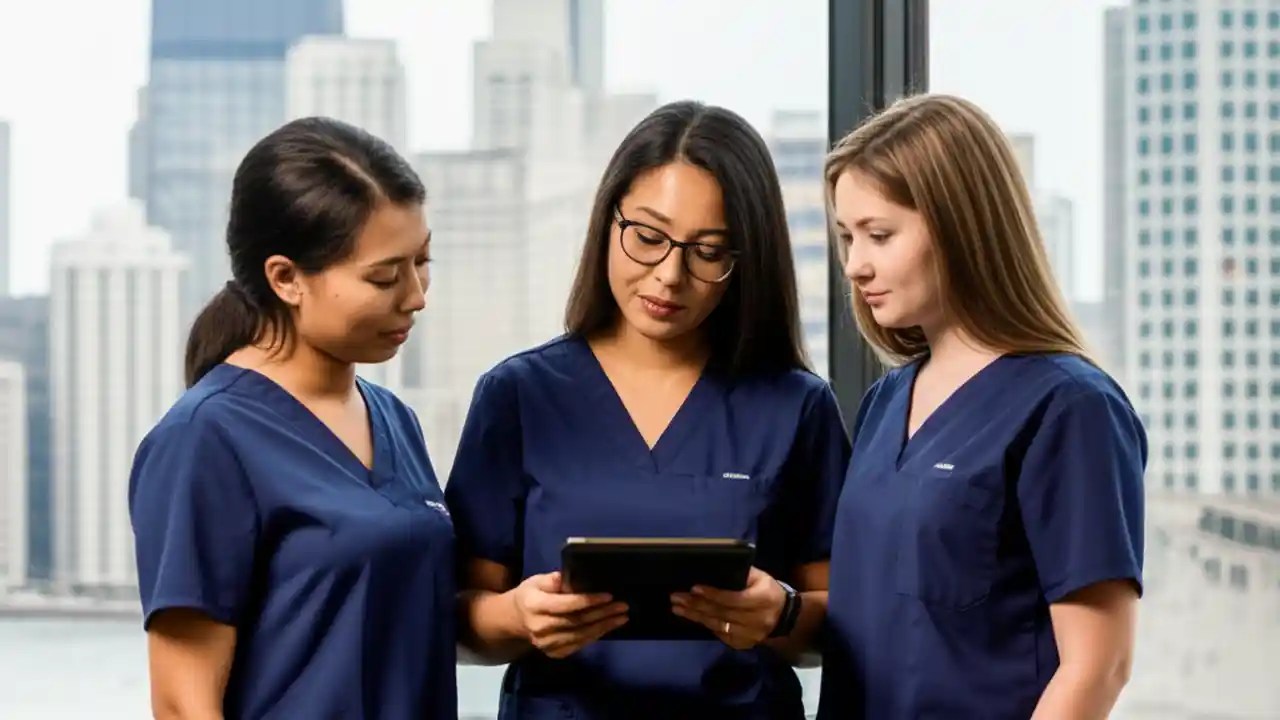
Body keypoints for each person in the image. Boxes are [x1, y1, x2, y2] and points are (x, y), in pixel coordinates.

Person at [443, 100, 851, 719]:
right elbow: (460, 616)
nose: (669, 276)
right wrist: (519, 616)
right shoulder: (519, 396)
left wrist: (782, 612)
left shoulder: (796, 406)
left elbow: (843, 617)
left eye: (708, 252)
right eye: (648, 237)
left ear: (746, 261)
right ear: (608, 219)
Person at [816, 92, 1147, 720]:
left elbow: (1098, 666)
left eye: (880, 235)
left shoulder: (1070, 409)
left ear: (959, 227)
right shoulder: (887, 402)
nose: (856, 265)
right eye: (846, 237)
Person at [128, 117, 457, 719]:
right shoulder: (206, 439)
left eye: (423, 261)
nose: (415, 295)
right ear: (286, 278)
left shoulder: (396, 421)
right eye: (384, 276)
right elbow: (182, 700)